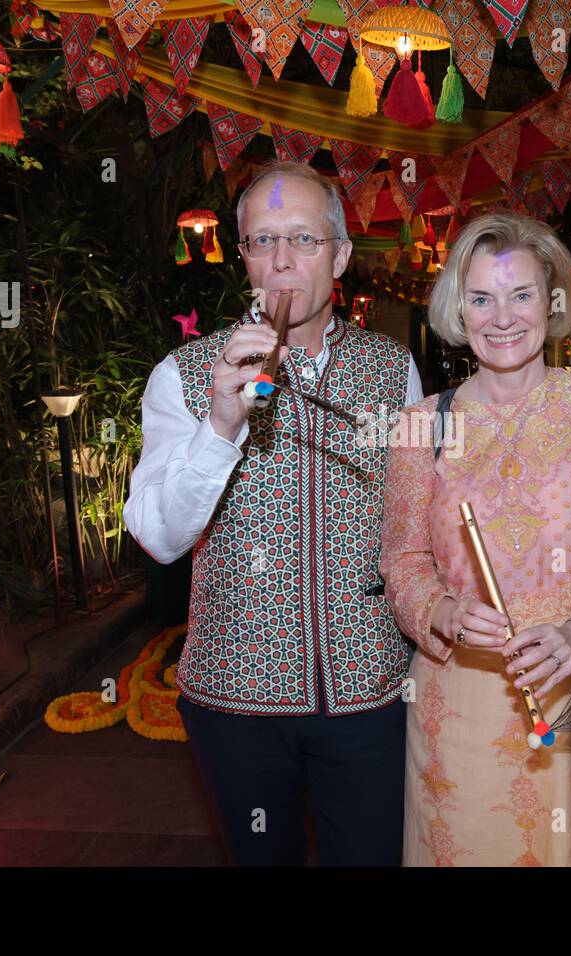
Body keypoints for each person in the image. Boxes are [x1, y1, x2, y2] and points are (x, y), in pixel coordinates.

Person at [122, 160, 424, 866]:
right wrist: (221, 422)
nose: (282, 260)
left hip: (370, 696)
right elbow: (158, 536)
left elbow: (417, 520)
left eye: (304, 240)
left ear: (342, 255)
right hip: (236, 704)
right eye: (261, 241)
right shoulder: (186, 374)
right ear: (243, 256)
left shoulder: (392, 368)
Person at [379, 210, 571, 866]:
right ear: (459, 309)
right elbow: (403, 558)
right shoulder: (423, 426)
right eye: (481, 298)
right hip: (463, 704)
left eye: (522, 295)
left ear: (553, 301)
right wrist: (442, 610)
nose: (501, 317)